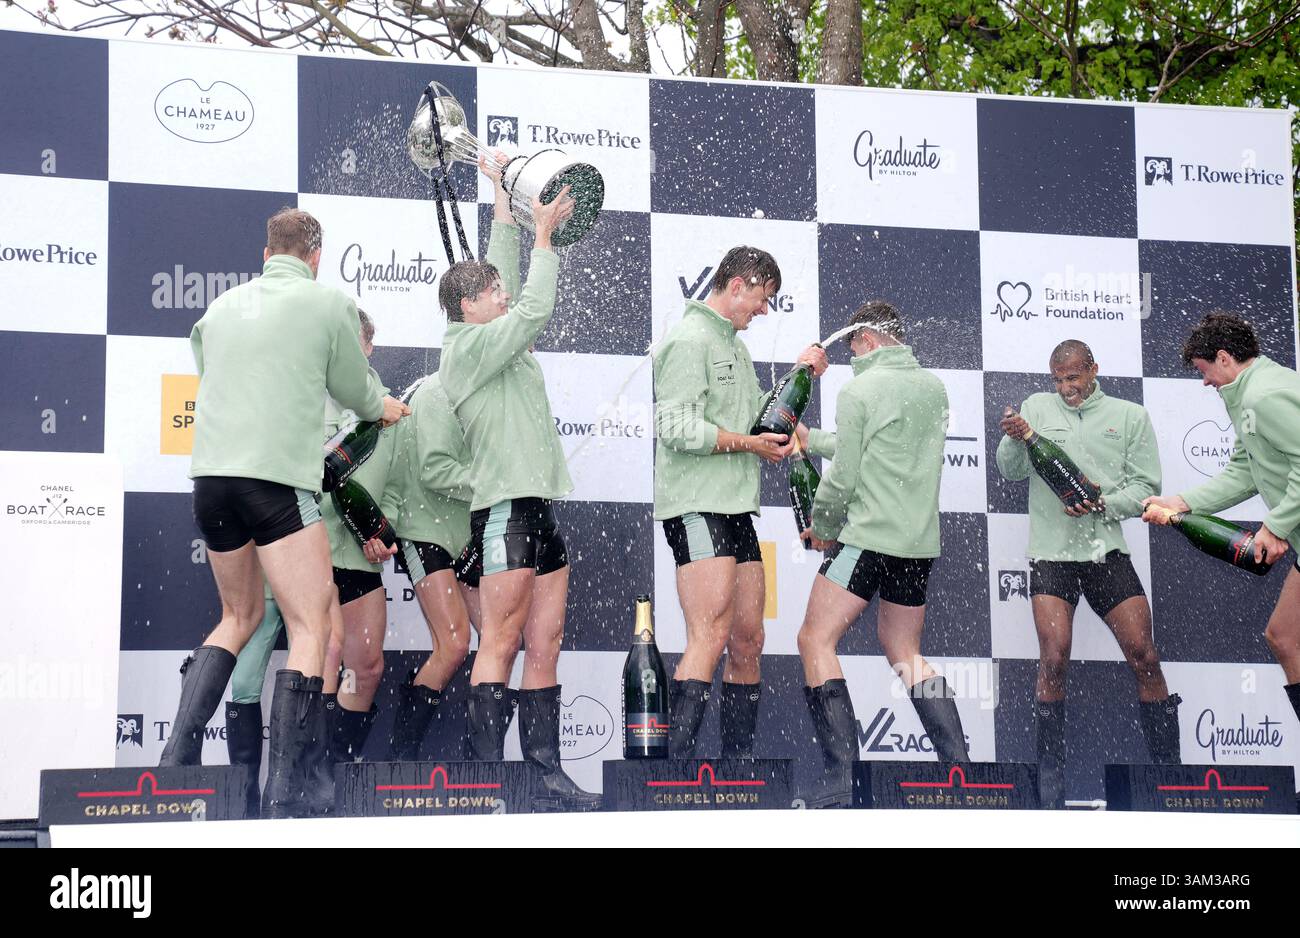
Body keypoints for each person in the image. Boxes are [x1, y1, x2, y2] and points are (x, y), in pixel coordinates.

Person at [161, 207, 407, 820]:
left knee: (236, 616)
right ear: (316, 256)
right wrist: (386, 408)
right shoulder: (328, 305)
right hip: (275, 483)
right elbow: (356, 391)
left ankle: (174, 763)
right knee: (311, 627)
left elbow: (216, 375)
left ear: (265, 253)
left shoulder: (218, 309)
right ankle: (288, 785)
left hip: (211, 480)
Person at [438, 155, 598, 811]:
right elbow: (532, 307)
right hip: (502, 512)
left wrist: (503, 201)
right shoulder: (467, 346)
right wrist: (542, 235)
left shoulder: (489, 328)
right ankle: (481, 783)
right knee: (499, 641)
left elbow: (507, 287)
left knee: (546, 641)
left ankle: (544, 775)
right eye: (492, 295)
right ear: (465, 308)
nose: (501, 297)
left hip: (539, 508)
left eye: (499, 291)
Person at [223, 309, 398, 816]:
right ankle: (266, 788)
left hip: (356, 557)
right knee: (284, 655)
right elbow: (315, 472)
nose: (352, 355)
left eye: (359, 346)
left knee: (360, 664)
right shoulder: (295, 392)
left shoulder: (385, 408)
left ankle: (329, 776)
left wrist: (383, 530)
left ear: (366, 348)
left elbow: (399, 480)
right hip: (291, 547)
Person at [654, 245, 827, 758]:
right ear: (737, 286)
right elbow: (674, 427)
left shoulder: (735, 345)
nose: (765, 310)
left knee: (749, 640)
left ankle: (737, 771)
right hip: (695, 504)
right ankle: (674, 775)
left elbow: (757, 421)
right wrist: (751, 444)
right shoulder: (688, 339)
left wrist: (800, 376)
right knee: (708, 635)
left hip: (735, 509)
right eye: (763, 298)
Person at [793, 301, 964, 807]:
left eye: (852, 348)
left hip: (866, 539)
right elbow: (880, 448)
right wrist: (812, 439)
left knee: (814, 639)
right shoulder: (933, 388)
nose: (850, 357)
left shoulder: (859, 389)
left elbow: (845, 474)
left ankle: (844, 777)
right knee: (905, 653)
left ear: (864, 338)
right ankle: (961, 771)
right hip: (916, 543)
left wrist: (821, 526)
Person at [996, 339, 1178, 810]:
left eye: (1073, 377)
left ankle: (1170, 780)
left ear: (1093, 369)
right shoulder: (1036, 407)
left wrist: (1103, 503)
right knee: (1053, 659)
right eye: (1058, 379)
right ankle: (1049, 789)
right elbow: (1009, 471)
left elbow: (1146, 487)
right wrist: (1016, 438)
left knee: (1144, 655)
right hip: (1051, 554)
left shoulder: (1130, 415)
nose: (1066, 388)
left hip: (1106, 551)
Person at [1144, 312, 1300, 773]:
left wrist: (1275, 526)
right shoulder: (1246, 395)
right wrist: (1181, 502)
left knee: (1286, 636)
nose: (1204, 381)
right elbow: (1243, 473)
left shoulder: (1267, 395)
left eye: (1203, 369)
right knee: (1285, 637)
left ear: (1226, 359)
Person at [383, 364, 481, 760]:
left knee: (500, 641)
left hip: (469, 530)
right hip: (425, 530)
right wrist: (498, 480)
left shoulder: (482, 387)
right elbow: (434, 470)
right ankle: (401, 759)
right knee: (455, 644)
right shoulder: (439, 390)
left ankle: (485, 761)